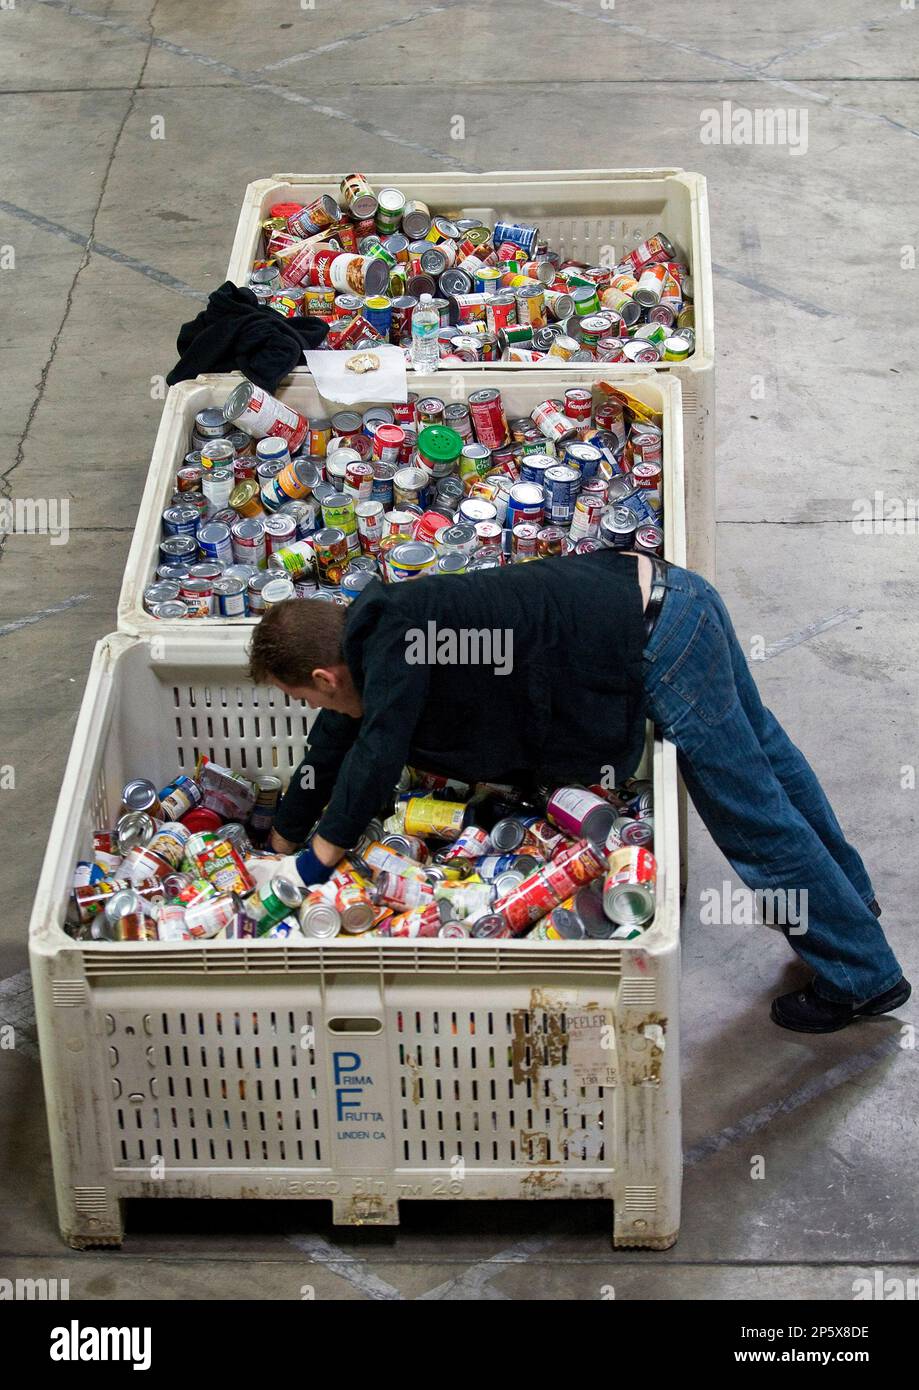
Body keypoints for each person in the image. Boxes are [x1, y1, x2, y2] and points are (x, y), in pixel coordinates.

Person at [248, 549, 910, 1034]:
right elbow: (337, 742)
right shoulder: (375, 627)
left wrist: (307, 870)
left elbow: (375, 753)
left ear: (323, 675)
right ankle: (849, 901)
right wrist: (280, 837)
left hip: (657, 639)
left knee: (749, 814)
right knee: (767, 759)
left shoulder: (394, 649)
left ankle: (861, 977)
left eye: (303, 695)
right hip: (672, 596)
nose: (314, 708)